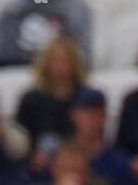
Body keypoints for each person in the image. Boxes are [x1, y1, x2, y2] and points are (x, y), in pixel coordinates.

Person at [16, 35, 87, 175]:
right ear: (45, 64)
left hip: (80, 168)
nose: (60, 66)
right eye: (55, 60)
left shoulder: (86, 98)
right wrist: (31, 157)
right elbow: (21, 141)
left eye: (65, 60)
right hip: (39, 167)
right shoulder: (31, 100)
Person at [68, 87, 138, 185]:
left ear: (105, 117)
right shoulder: (59, 157)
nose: (92, 119)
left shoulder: (120, 163)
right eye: (86, 113)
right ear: (73, 115)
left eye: (97, 114)